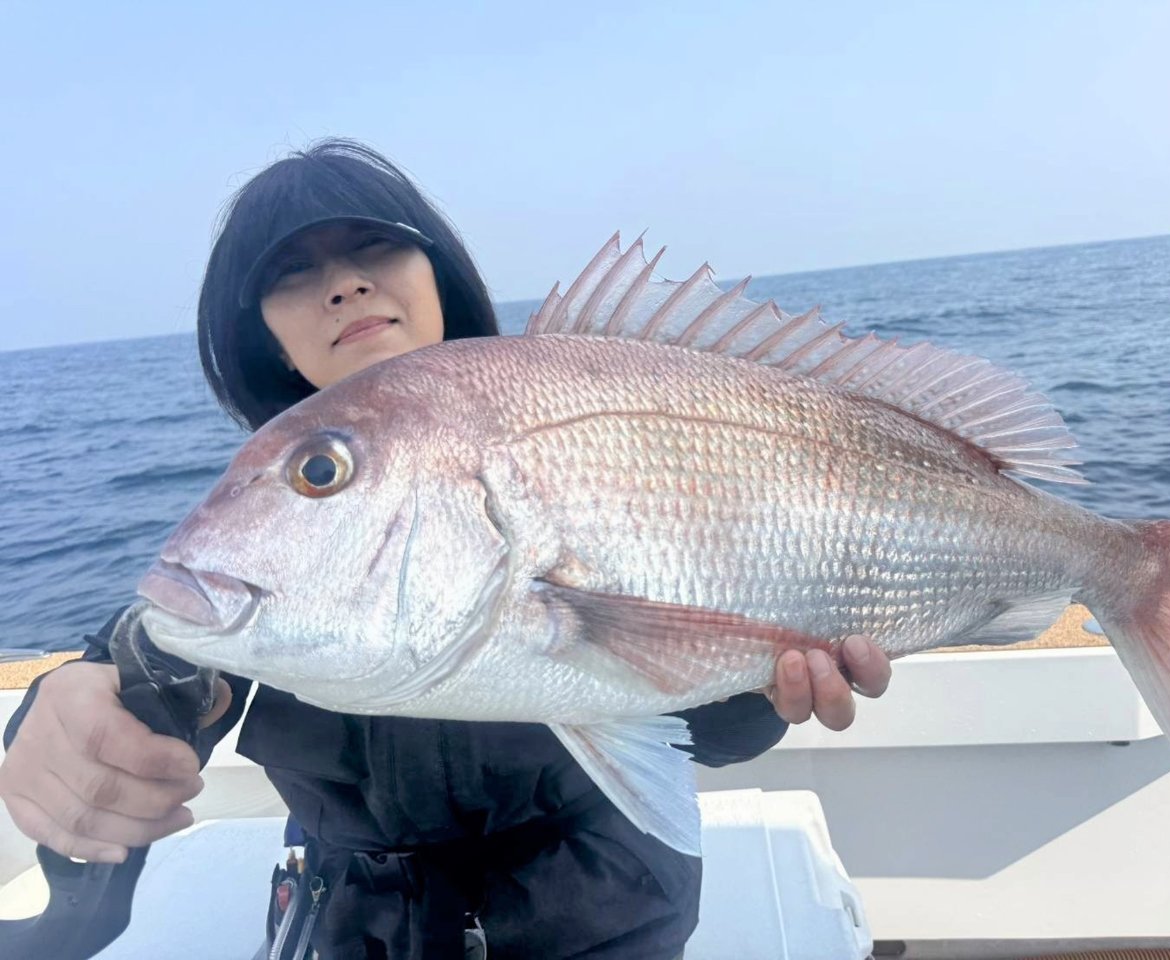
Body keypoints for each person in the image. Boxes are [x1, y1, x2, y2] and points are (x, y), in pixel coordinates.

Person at [0, 140, 892, 959]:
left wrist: (758, 691)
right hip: (360, 926)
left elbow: (698, 733)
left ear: (438, 269)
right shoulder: (270, 521)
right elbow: (166, 658)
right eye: (290, 271)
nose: (344, 286)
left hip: (609, 914)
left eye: (375, 245)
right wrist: (73, 706)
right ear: (262, 332)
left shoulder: (573, 409)